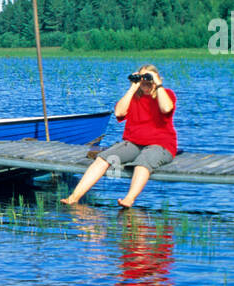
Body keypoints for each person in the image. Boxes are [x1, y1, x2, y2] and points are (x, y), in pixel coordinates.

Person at [61, 64, 177, 208]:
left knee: (143, 162)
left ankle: (129, 199)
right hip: (134, 142)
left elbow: (166, 108)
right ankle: (74, 197)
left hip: (160, 145)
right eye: (142, 78)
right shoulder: (134, 96)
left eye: (148, 79)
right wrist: (133, 87)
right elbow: (119, 113)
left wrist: (158, 84)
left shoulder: (166, 94)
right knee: (103, 158)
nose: (145, 83)